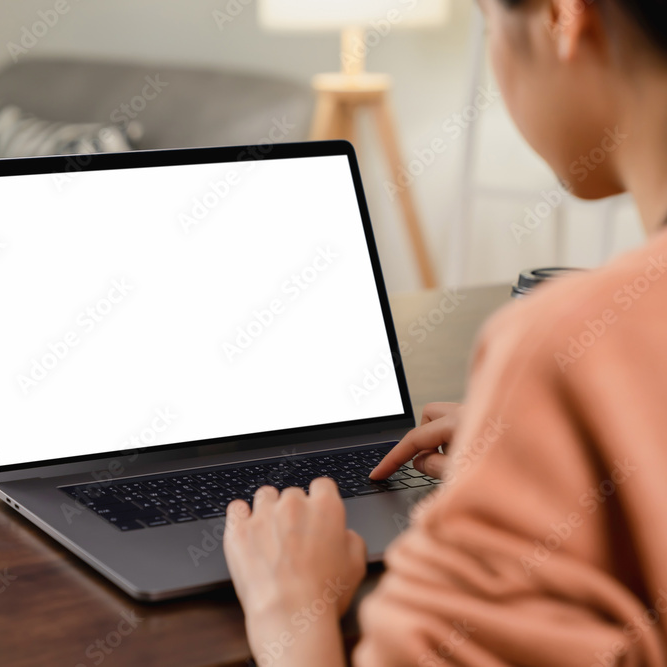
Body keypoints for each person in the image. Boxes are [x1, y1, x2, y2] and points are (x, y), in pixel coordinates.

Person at [222, 0, 667, 664]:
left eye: (487, 20)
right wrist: (539, 466)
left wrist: (289, 611)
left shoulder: (563, 346)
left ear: (561, 17)